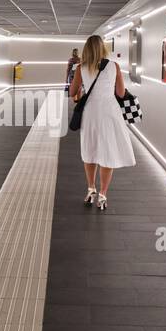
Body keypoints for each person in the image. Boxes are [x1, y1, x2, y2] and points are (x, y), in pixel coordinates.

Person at [69, 34, 135, 211]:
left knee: (90, 149)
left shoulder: (81, 67)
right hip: (109, 112)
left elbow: (72, 92)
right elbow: (121, 94)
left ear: (86, 49)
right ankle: (103, 194)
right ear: (103, 48)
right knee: (108, 151)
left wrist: (80, 85)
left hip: (90, 112)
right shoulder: (114, 66)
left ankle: (91, 189)